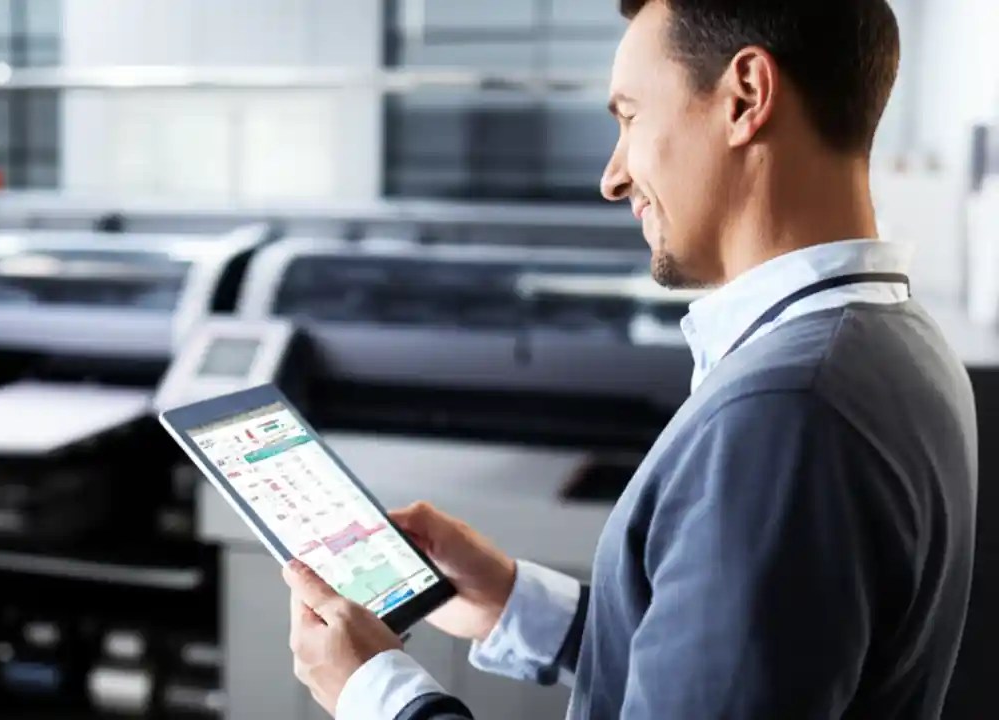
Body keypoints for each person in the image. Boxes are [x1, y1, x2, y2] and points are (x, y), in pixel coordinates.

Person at [281, 0, 980, 718]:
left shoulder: (786, 410)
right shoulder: (901, 343)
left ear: (745, 97)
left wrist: (378, 693)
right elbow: (745, 665)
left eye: (630, 117)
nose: (613, 177)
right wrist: (516, 604)